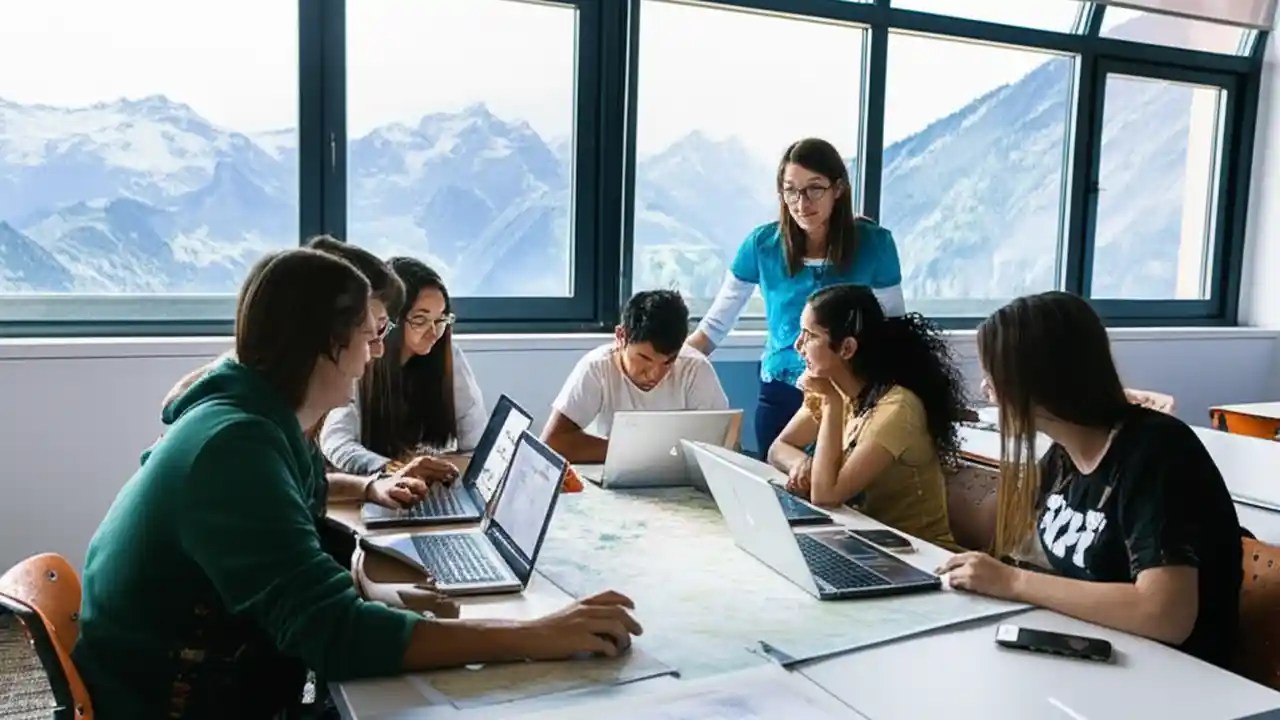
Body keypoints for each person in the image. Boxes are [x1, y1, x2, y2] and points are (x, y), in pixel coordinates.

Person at [73, 248, 642, 718]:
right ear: (327, 343)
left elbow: (305, 506)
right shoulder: (234, 450)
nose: (376, 353)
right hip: (179, 701)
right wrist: (538, 635)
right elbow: (338, 638)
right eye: (371, 334)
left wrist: (385, 595)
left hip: (198, 675)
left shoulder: (251, 419)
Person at [938, 291, 1241, 668]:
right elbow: (995, 530)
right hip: (1096, 654)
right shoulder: (1063, 455)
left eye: (993, 375)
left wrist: (1013, 582)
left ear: (1036, 381)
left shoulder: (1156, 452)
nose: (988, 391)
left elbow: (1166, 614)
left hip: (1177, 678)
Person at [685, 138, 905, 456]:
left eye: (814, 188)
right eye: (791, 190)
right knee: (776, 491)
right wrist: (670, 363)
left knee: (838, 497)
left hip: (850, 397)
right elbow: (714, 327)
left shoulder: (876, 245)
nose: (802, 203)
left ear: (838, 189)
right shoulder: (762, 245)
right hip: (780, 395)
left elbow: (896, 330)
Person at [767, 285, 966, 551]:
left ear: (847, 348)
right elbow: (778, 449)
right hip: (862, 543)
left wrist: (831, 403)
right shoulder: (834, 390)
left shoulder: (897, 408)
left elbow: (825, 495)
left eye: (809, 336)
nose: (797, 345)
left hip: (921, 555)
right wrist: (803, 464)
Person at [319, 257, 487, 481]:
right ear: (391, 320)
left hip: (427, 487)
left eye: (441, 319)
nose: (434, 332)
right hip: (375, 487)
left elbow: (478, 442)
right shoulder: (361, 358)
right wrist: (393, 469)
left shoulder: (449, 357)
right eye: (420, 319)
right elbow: (335, 441)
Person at [542, 289, 729, 464]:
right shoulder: (597, 368)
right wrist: (637, 452)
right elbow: (553, 441)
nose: (655, 375)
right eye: (644, 358)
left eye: (668, 362)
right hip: (616, 476)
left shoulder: (695, 368)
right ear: (621, 336)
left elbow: (723, 446)